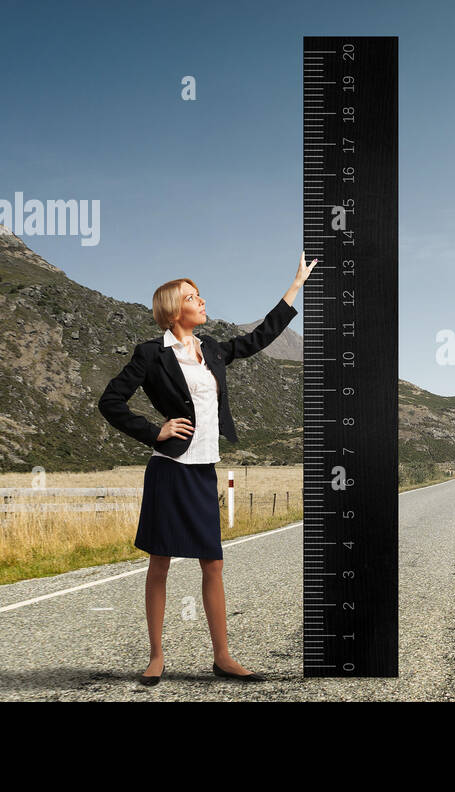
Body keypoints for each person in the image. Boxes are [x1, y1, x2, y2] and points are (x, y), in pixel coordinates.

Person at [98, 251, 317, 686]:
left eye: (199, 295)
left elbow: (257, 339)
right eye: (193, 297)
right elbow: (110, 402)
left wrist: (295, 287)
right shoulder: (150, 354)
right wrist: (153, 431)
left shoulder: (212, 349)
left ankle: (223, 657)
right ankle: (156, 656)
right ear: (174, 309)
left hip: (203, 471)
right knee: (160, 561)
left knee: (212, 563)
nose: (202, 301)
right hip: (169, 469)